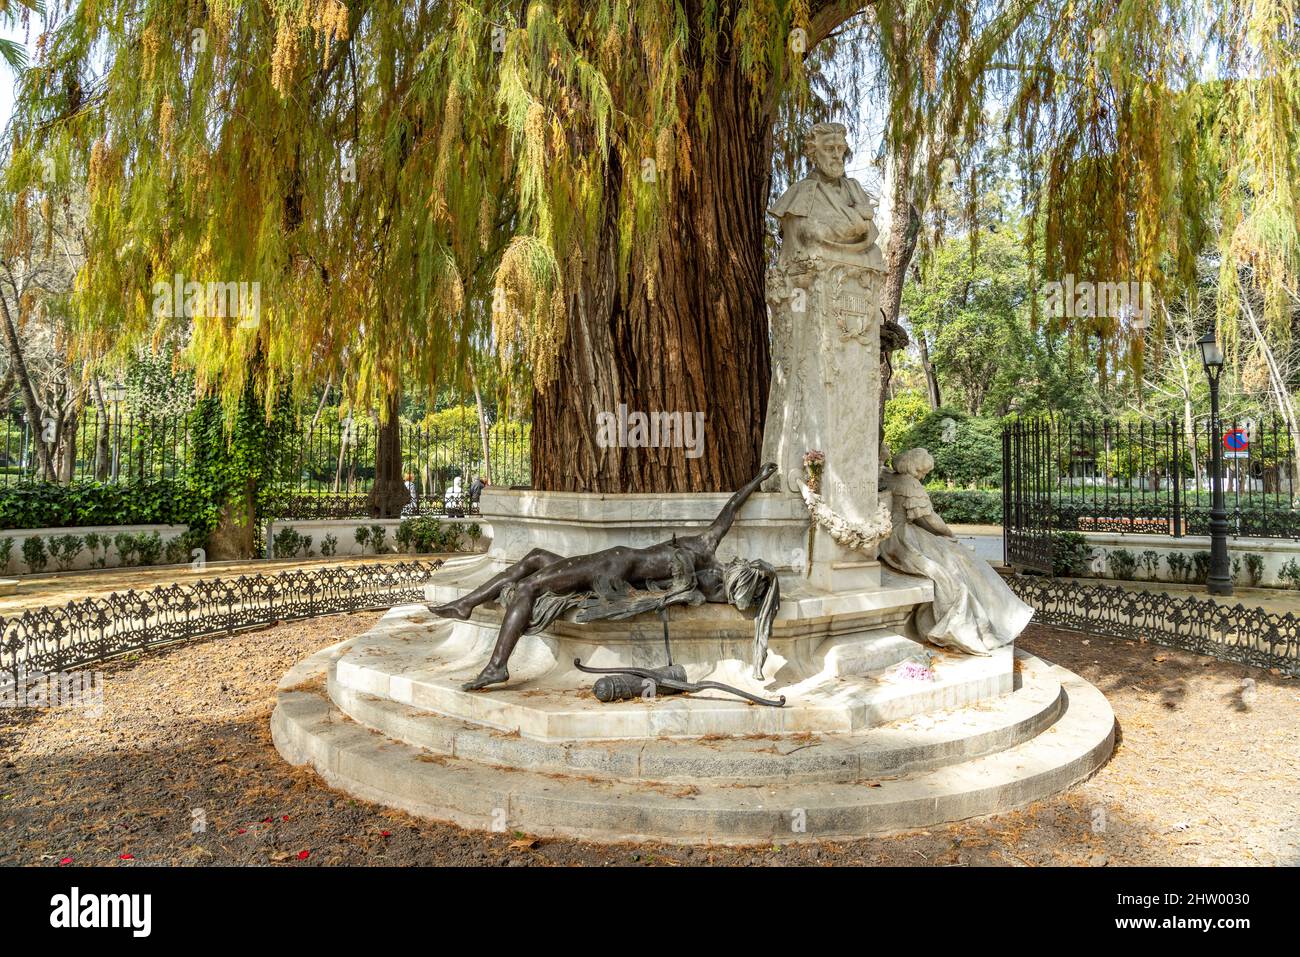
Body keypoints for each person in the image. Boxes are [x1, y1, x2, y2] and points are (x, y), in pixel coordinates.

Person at [431, 462, 779, 690]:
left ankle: (497, 664)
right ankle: (466, 603)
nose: (738, 565)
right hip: (613, 563)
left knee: (529, 585)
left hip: (611, 567)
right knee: (535, 557)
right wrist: (758, 480)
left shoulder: (706, 561)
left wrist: (753, 583)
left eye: (742, 571)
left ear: (736, 578)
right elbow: (732, 507)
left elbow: (728, 515)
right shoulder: (707, 555)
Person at [879, 448, 1033, 655]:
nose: (923, 476)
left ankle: (997, 616)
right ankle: (986, 622)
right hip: (903, 539)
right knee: (960, 561)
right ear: (914, 467)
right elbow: (928, 519)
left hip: (893, 537)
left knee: (960, 560)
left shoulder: (886, 476)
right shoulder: (909, 484)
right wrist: (948, 533)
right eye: (923, 472)